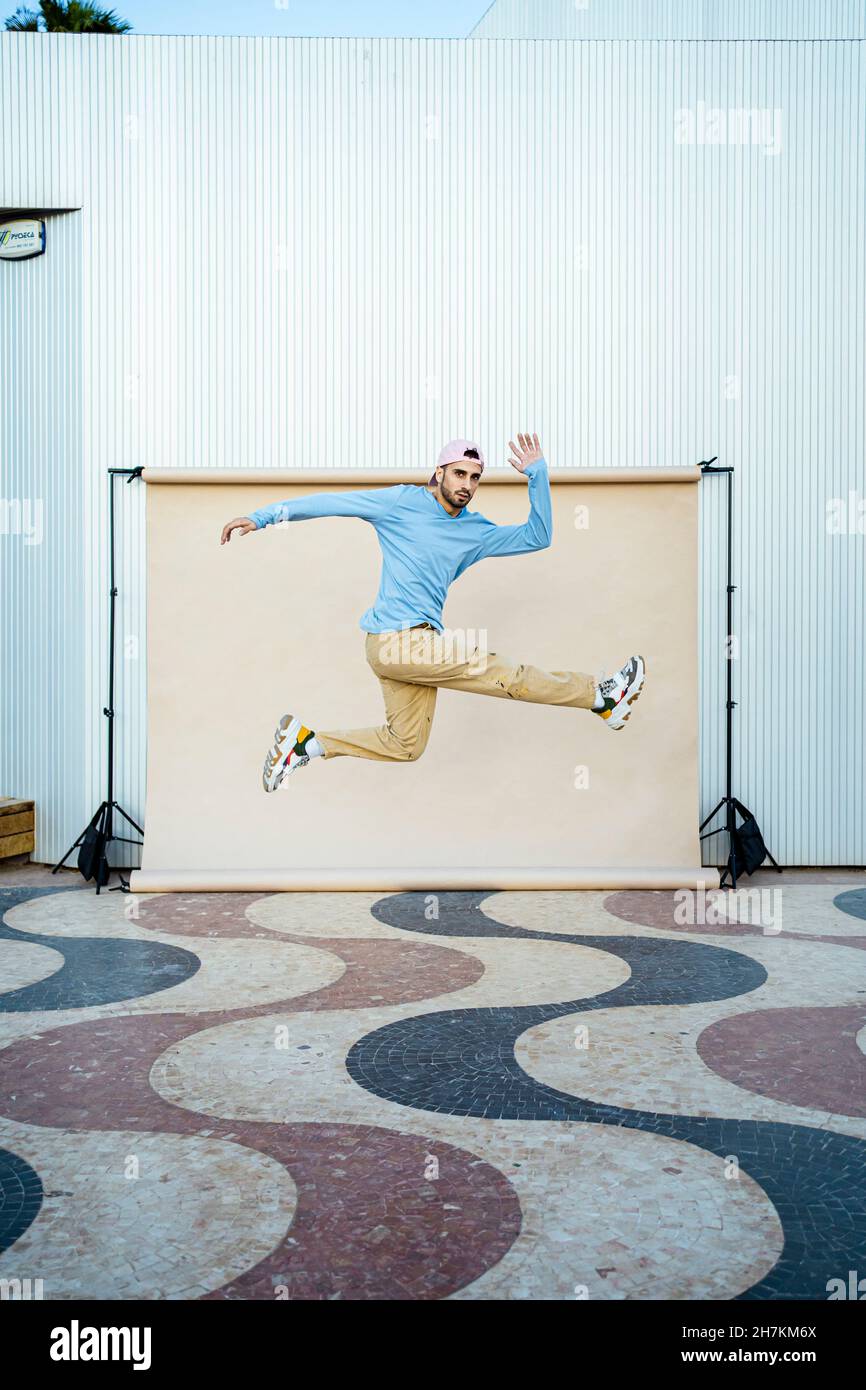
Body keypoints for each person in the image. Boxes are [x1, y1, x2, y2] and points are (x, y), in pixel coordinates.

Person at [220, 433, 646, 792]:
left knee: (406, 744)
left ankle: (306, 744)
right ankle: (601, 695)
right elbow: (335, 501)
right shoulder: (400, 503)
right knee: (505, 673)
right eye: (459, 473)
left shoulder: (474, 532)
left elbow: (539, 536)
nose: (467, 484)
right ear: (439, 472)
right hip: (398, 641)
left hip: (402, 653)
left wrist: (537, 476)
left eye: (475, 478)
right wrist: (262, 517)